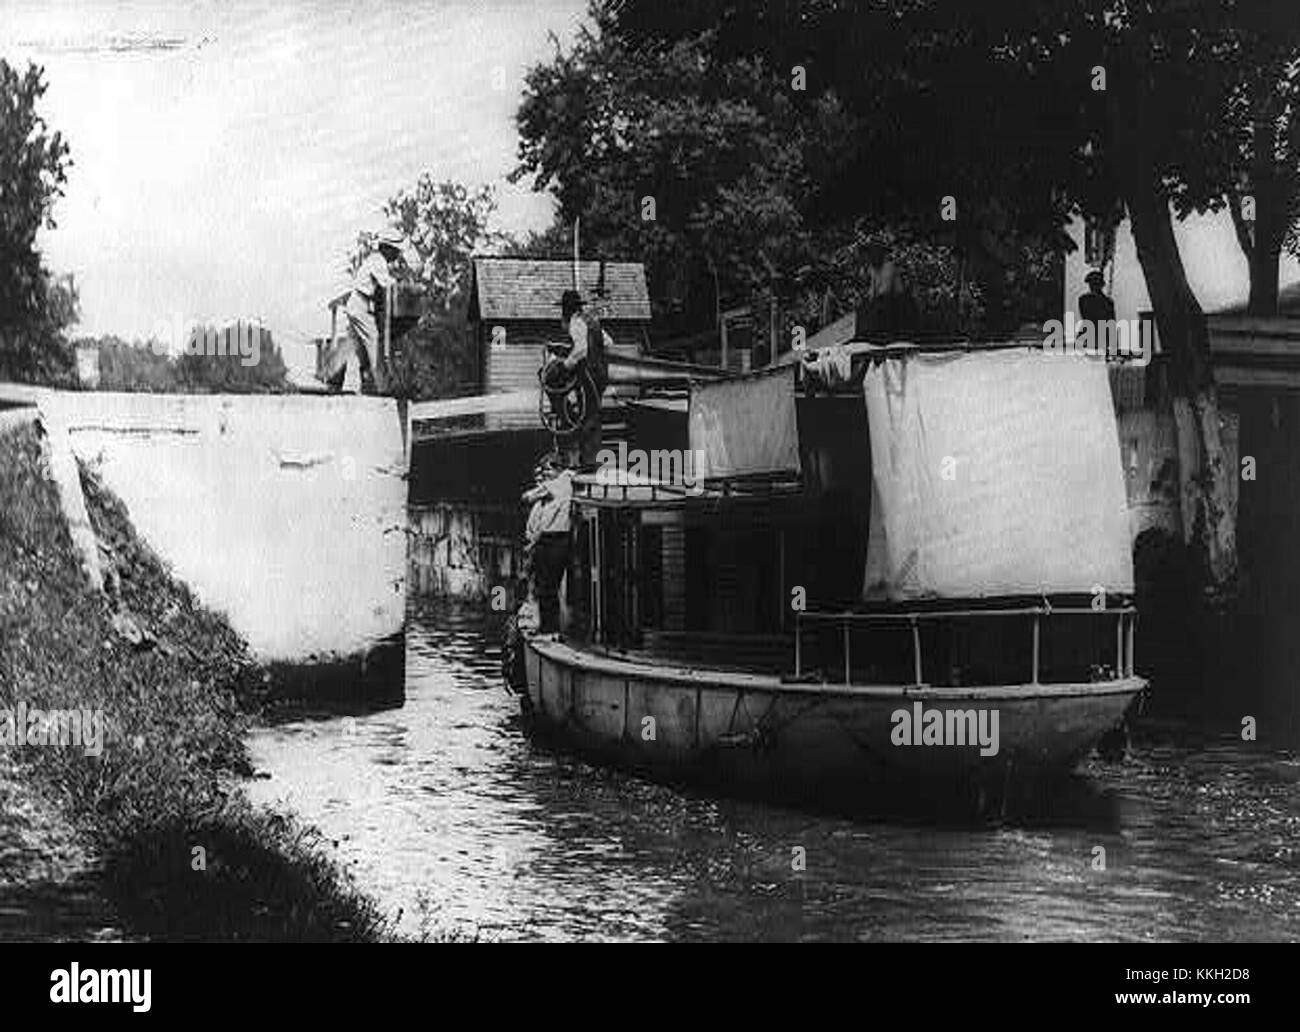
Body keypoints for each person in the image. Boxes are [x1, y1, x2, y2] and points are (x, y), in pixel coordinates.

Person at [324, 231, 406, 393]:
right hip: (360, 304)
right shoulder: (378, 261)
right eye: (395, 251)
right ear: (387, 248)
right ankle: (384, 387)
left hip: (358, 304)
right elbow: (387, 284)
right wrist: (404, 282)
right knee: (374, 342)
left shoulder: (375, 259)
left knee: (350, 343)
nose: (396, 255)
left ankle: (333, 379)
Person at [557, 290, 612, 469]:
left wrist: (565, 365)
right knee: (593, 413)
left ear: (567, 309)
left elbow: (581, 350)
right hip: (600, 375)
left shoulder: (576, 322)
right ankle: (591, 458)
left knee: (587, 415)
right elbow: (609, 343)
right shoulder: (592, 321)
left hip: (588, 375)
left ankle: (589, 462)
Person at [523, 462, 575, 634]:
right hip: (560, 539)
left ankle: (548, 628)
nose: (543, 477)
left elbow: (527, 497)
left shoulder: (555, 485)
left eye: (547, 471)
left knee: (545, 586)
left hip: (551, 539)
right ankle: (551, 626)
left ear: (557, 470)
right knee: (550, 586)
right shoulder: (568, 481)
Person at [855, 241, 913, 340]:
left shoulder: (889, 266)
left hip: (896, 303)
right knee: (863, 306)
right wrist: (866, 300)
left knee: (882, 304)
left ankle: (886, 333)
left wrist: (873, 301)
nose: (870, 258)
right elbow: (872, 290)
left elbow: (886, 290)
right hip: (882, 300)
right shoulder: (873, 268)